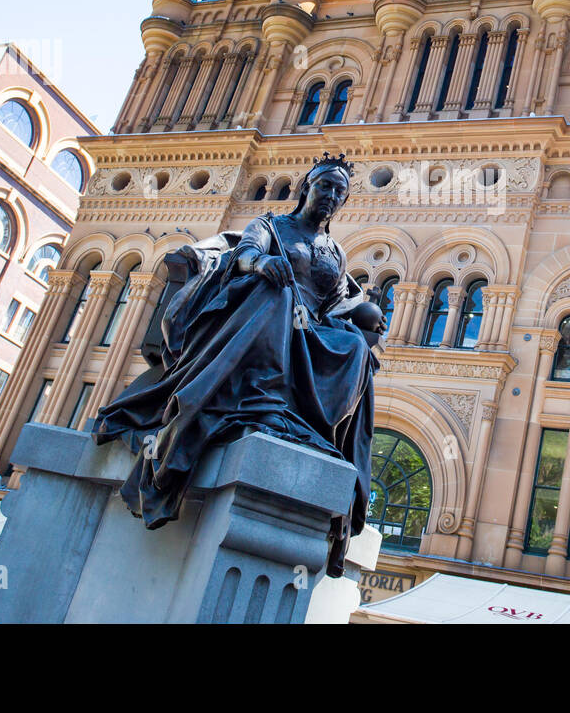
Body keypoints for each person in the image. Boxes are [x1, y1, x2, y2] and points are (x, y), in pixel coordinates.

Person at [93, 152, 385, 576]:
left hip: (310, 328)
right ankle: (263, 400)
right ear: (307, 187)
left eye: (340, 191)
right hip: (262, 308)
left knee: (357, 347)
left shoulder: (334, 251)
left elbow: (338, 301)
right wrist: (263, 262)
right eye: (325, 186)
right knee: (278, 293)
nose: (331, 196)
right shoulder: (271, 226)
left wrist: (365, 314)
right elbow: (244, 255)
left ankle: (315, 429)